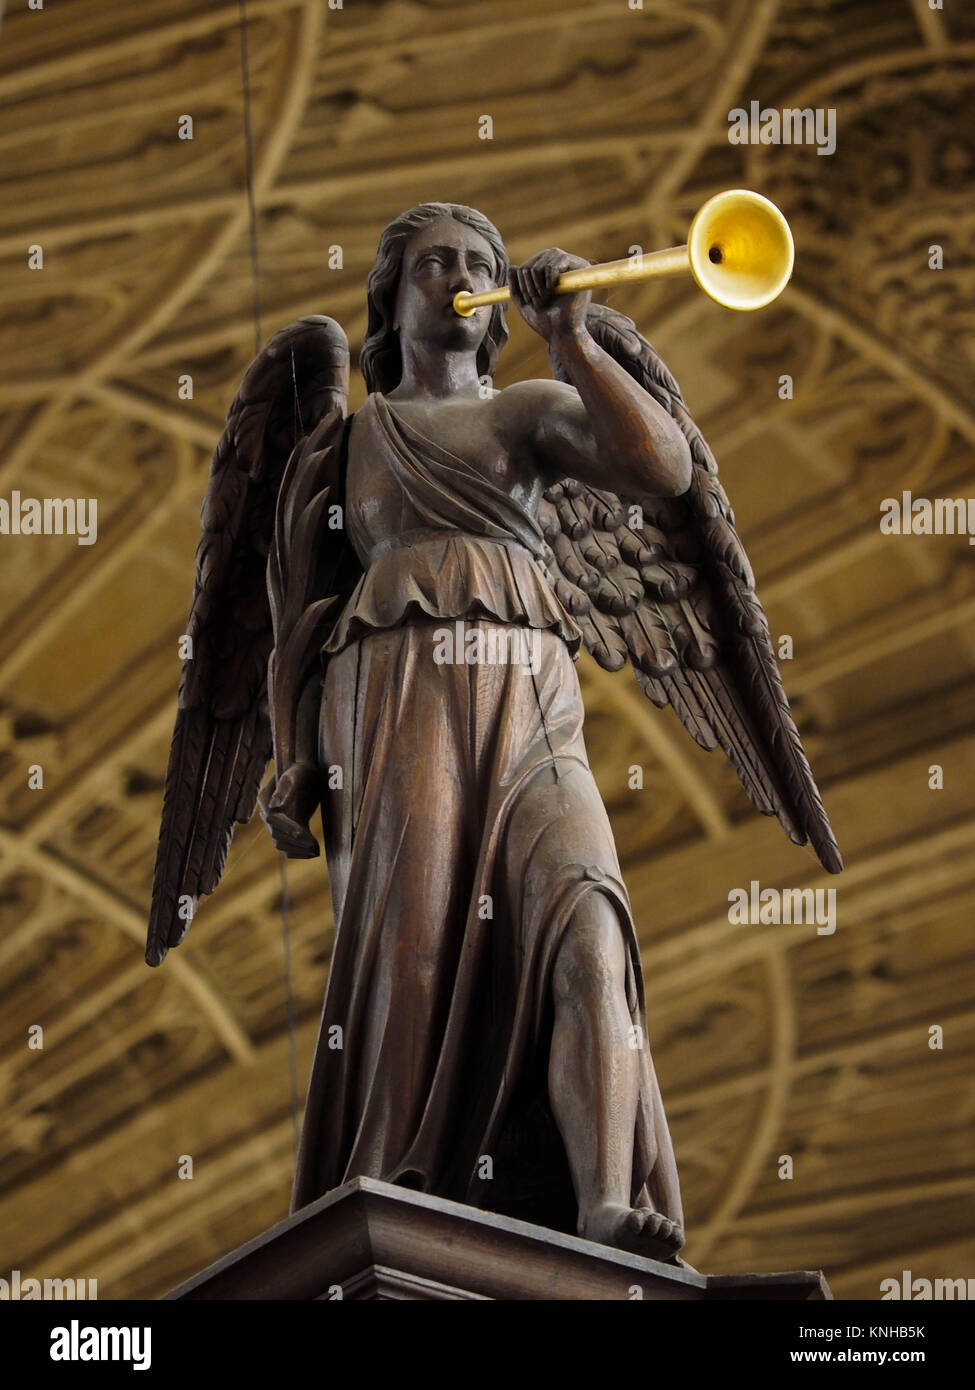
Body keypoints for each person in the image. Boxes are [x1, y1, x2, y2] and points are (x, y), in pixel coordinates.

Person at [267, 203, 692, 1258]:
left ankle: (603, 1198)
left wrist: (577, 341)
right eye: (435, 264)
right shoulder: (350, 441)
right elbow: (295, 613)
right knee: (410, 948)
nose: (459, 276)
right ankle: (406, 1183)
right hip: (391, 699)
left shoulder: (527, 414)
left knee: (587, 913)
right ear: (393, 296)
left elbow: (662, 468)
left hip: (529, 697)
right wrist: (289, 754)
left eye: (478, 264)